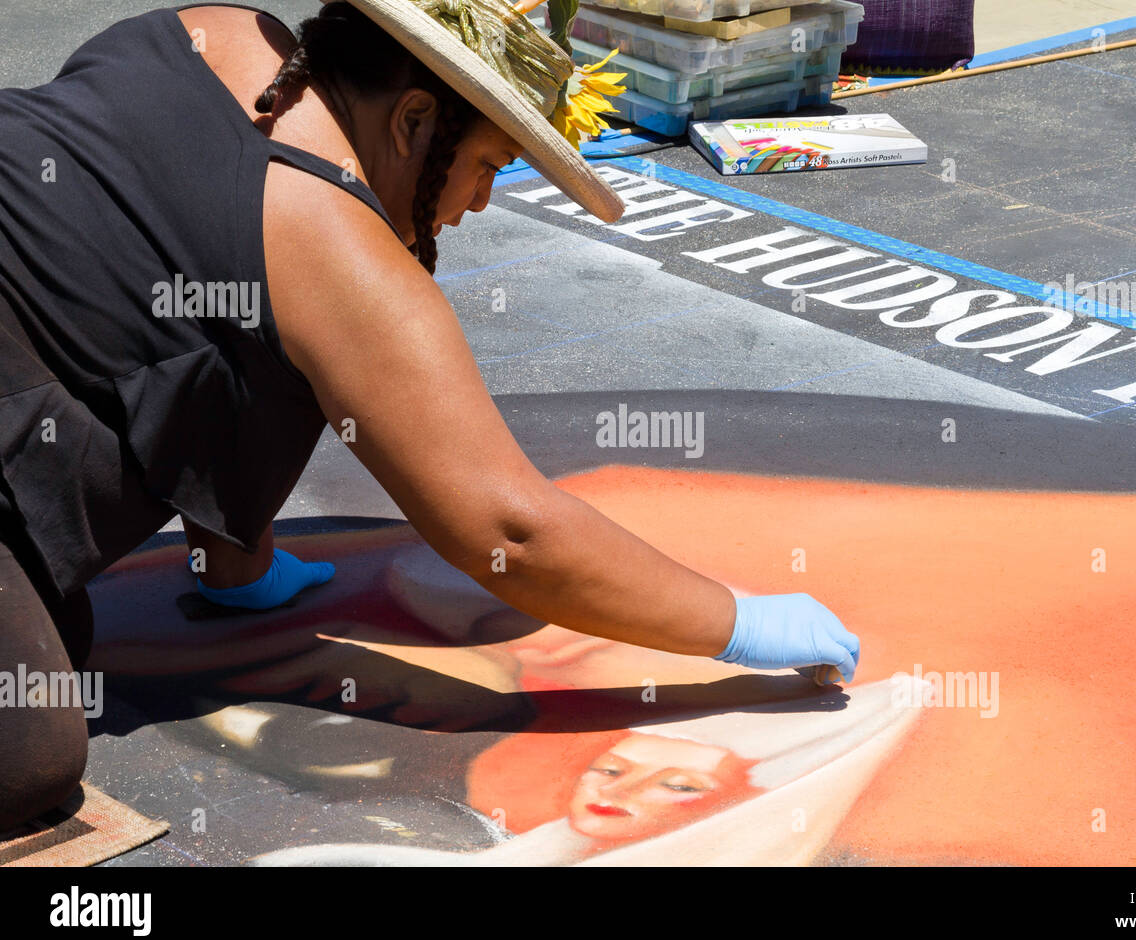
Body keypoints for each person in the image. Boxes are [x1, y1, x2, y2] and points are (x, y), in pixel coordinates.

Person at [0, 0, 859, 833]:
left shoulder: (212, 31)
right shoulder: (334, 245)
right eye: (487, 164)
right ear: (414, 120)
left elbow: (205, 306)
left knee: (53, 643)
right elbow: (509, 530)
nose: (482, 200)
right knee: (25, 753)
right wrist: (740, 622)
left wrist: (238, 565)